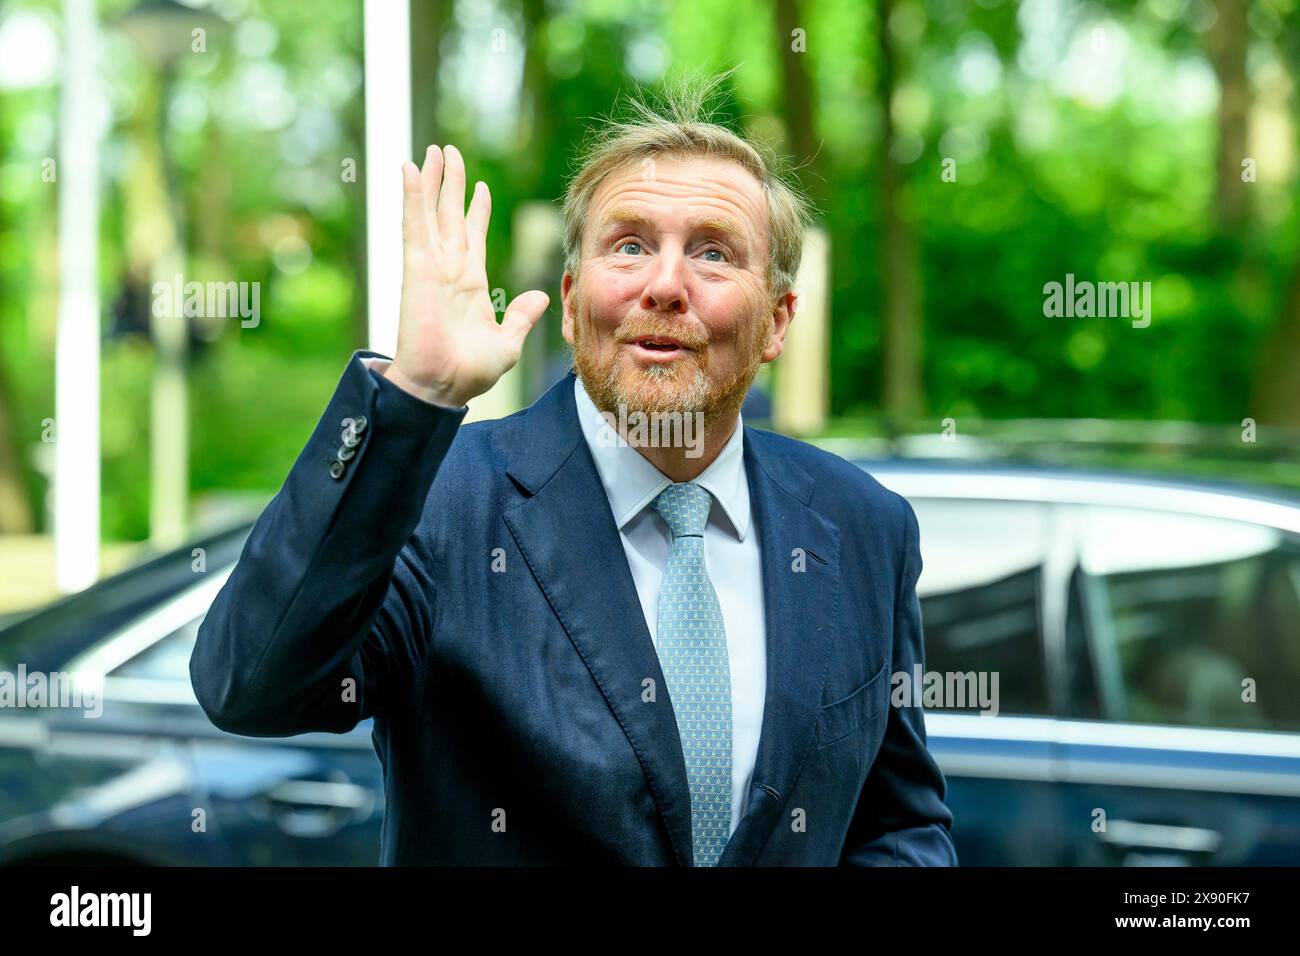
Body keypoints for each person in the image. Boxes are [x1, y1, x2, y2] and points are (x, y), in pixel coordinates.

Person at [190, 76, 957, 867]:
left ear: (777, 320)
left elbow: (897, 826)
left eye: (713, 252)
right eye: (628, 245)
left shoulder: (864, 524)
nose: (664, 284)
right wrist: (413, 399)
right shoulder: (443, 499)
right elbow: (249, 686)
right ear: (569, 299)